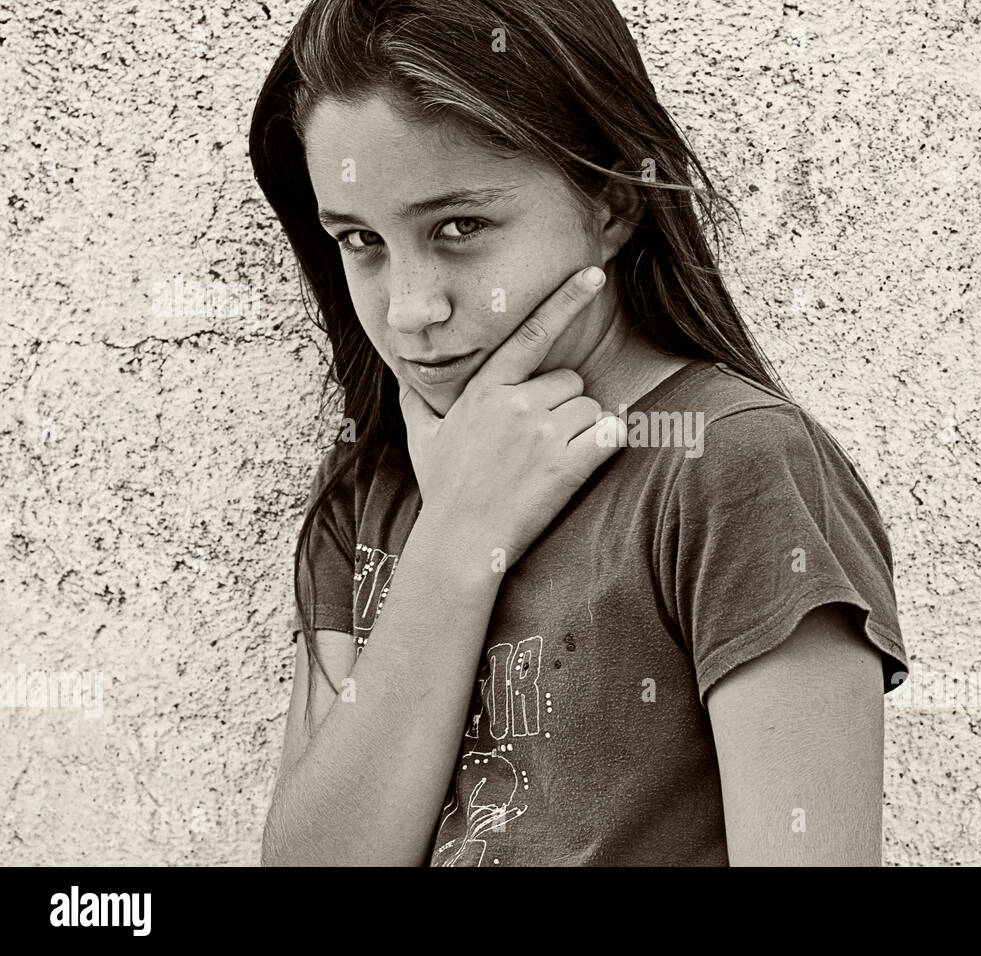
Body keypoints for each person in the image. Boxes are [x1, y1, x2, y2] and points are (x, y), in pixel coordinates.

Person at [250, 0, 910, 866]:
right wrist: (456, 541)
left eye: (459, 228)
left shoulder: (731, 470)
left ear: (612, 200)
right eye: (360, 239)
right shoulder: (371, 494)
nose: (412, 311)